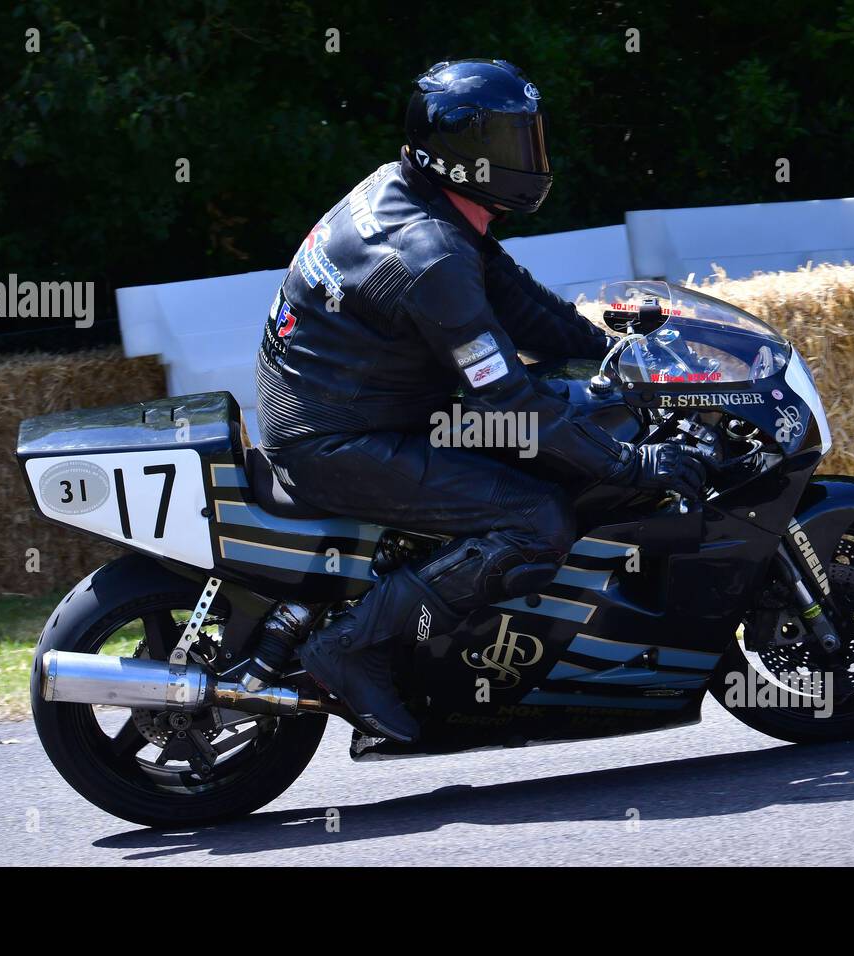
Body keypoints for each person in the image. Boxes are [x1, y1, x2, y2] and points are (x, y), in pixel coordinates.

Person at [243, 59, 705, 741]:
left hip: (351, 403)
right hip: (337, 440)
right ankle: (350, 647)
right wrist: (630, 466)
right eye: (514, 142)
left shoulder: (414, 195)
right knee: (537, 517)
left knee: (556, 436)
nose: (530, 156)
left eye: (532, 138)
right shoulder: (428, 256)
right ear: (466, 154)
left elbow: (518, 300)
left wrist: (615, 356)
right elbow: (510, 400)